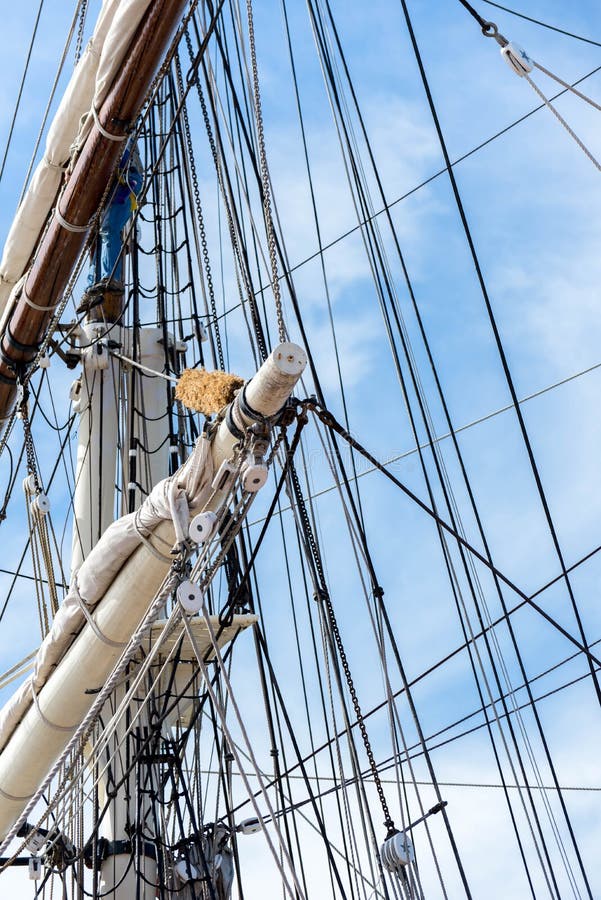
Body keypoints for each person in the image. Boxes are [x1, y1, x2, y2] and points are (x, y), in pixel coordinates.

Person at [78, 141, 143, 311]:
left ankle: (111, 277)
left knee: (108, 230)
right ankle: (92, 288)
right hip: (114, 183)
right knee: (99, 239)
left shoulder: (123, 135)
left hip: (126, 180)